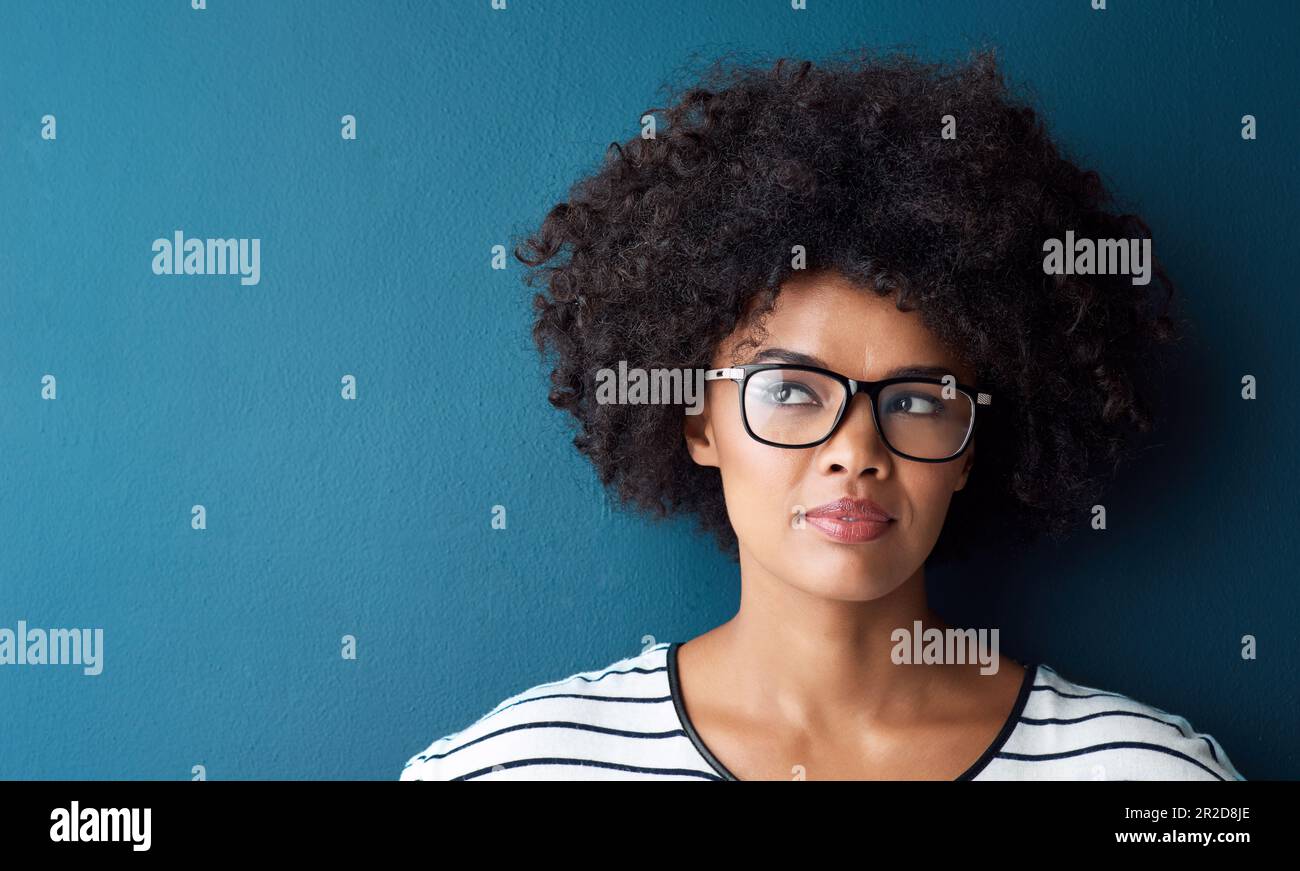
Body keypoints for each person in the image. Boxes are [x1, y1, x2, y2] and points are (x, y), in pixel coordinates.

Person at [400, 48, 1243, 781]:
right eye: (792, 391)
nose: (856, 452)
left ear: (970, 448)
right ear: (698, 422)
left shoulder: (1148, 778)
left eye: (916, 401)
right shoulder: (512, 766)